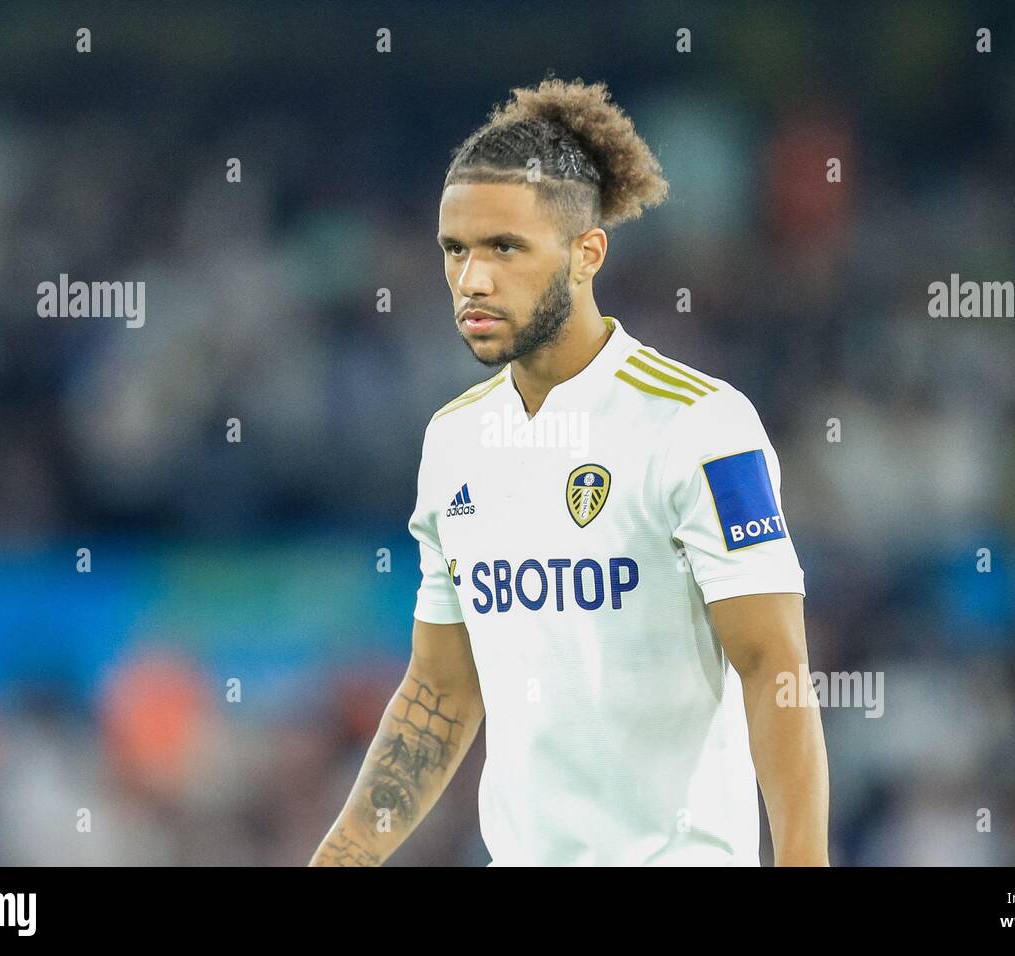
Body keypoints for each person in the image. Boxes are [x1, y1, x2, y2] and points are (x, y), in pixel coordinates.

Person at [311, 76, 828, 866]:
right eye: (456, 250)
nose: (472, 281)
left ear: (587, 253)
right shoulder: (454, 442)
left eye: (504, 248)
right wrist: (342, 857)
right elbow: (441, 691)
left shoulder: (699, 425)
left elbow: (775, 667)